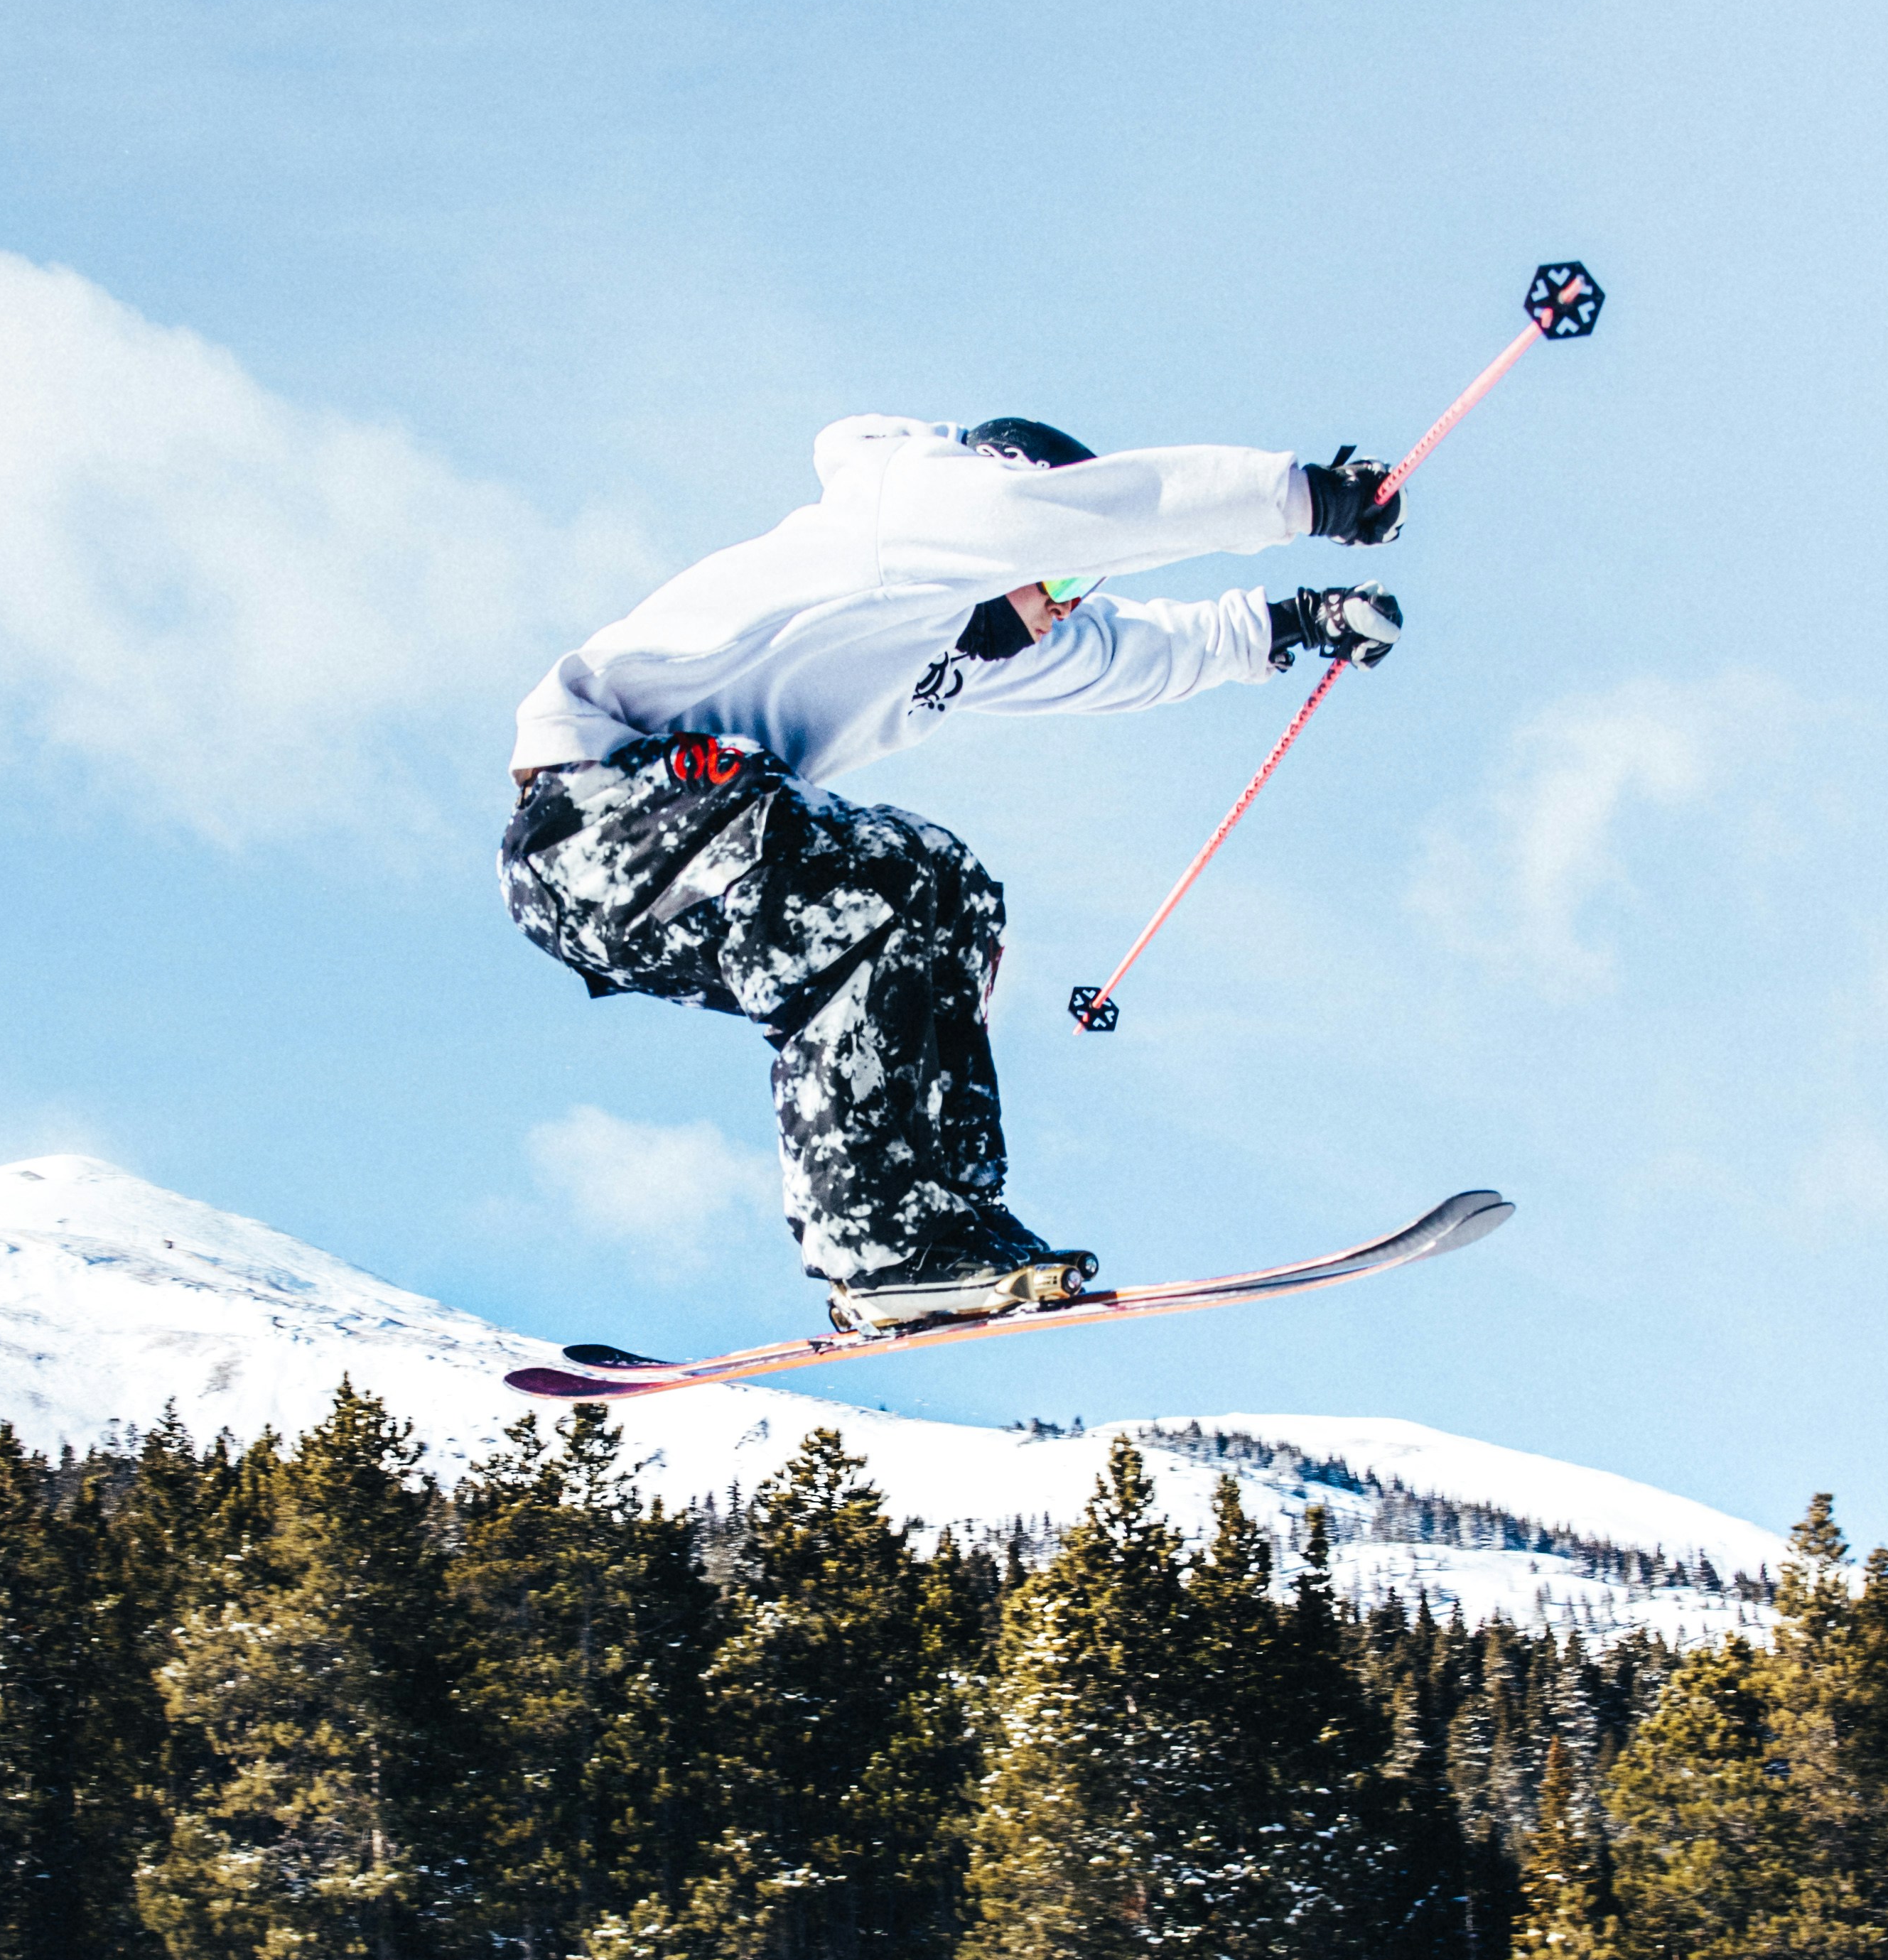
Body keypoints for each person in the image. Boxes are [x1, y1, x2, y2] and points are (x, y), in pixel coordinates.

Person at [500, 410, 1406, 1328]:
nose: (1069, 599)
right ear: (1011, 505)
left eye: (1082, 584)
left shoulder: (951, 649)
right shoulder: (910, 512)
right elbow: (1104, 510)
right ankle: (874, 1240)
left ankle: (950, 1218)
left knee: (945, 885)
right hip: (590, 817)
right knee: (863, 880)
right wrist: (1305, 498)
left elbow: (1121, 656)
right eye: (1058, 571)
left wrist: (1292, 622)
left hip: (684, 861)